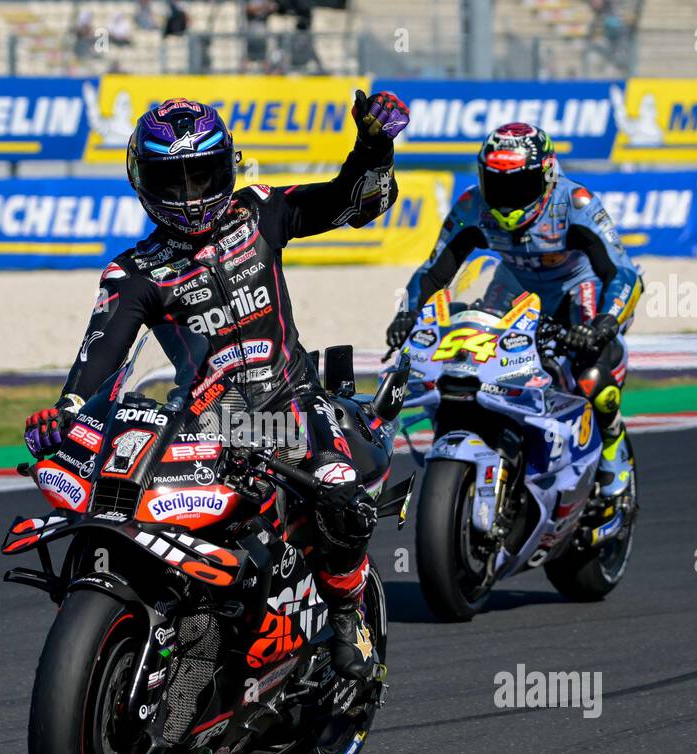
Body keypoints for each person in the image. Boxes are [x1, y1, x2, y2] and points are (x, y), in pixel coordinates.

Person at [25, 92, 410, 681]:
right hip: (210, 420)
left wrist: (374, 148)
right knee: (127, 500)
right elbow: (97, 362)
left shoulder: (261, 212)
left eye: (200, 174)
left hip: (291, 402)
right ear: (143, 180)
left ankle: (347, 613)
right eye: (171, 179)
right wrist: (67, 415)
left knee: (338, 488)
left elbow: (355, 202)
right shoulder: (133, 273)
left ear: (226, 166)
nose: (187, 194)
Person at [389, 122, 641, 502]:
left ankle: (612, 445)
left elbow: (622, 272)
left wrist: (603, 324)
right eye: (498, 185)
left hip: (577, 289)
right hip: (514, 285)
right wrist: (407, 315)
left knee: (590, 375)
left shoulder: (575, 204)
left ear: (548, 176)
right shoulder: (472, 205)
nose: (507, 198)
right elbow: (434, 272)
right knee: (469, 354)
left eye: (519, 186)